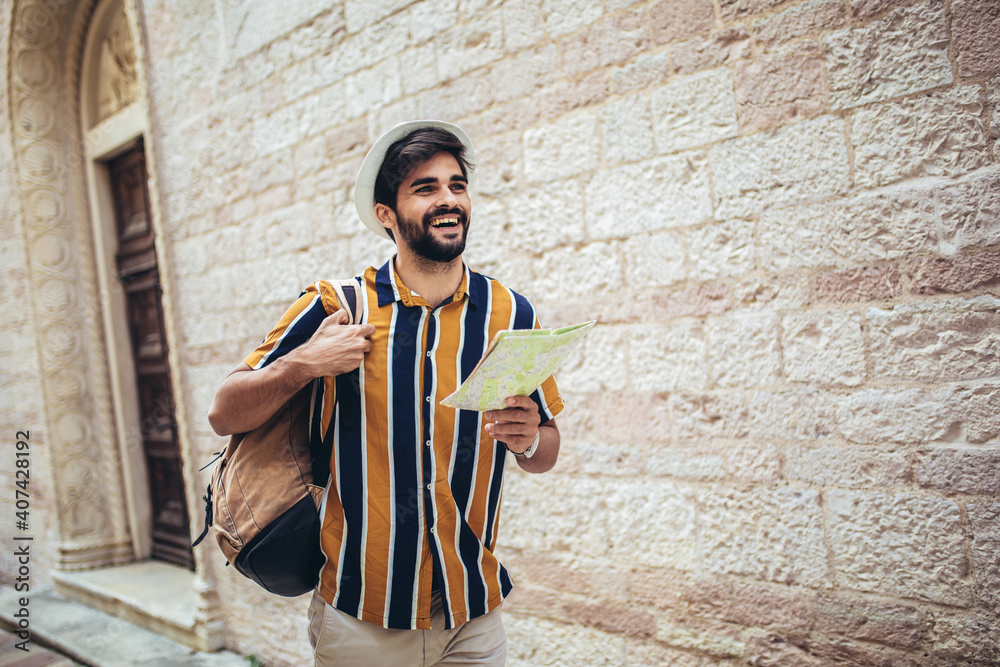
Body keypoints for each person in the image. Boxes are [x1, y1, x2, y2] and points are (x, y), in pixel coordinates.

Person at [208, 120, 563, 666]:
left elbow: (544, 449)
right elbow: (224, 410)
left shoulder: (511, 314)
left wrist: (529, 441)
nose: (449, 200)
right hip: (360, 619)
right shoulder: (336, 306)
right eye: (426, 188)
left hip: (472, 612)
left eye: (456, 185)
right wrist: (303, 364)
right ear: (386, 215)